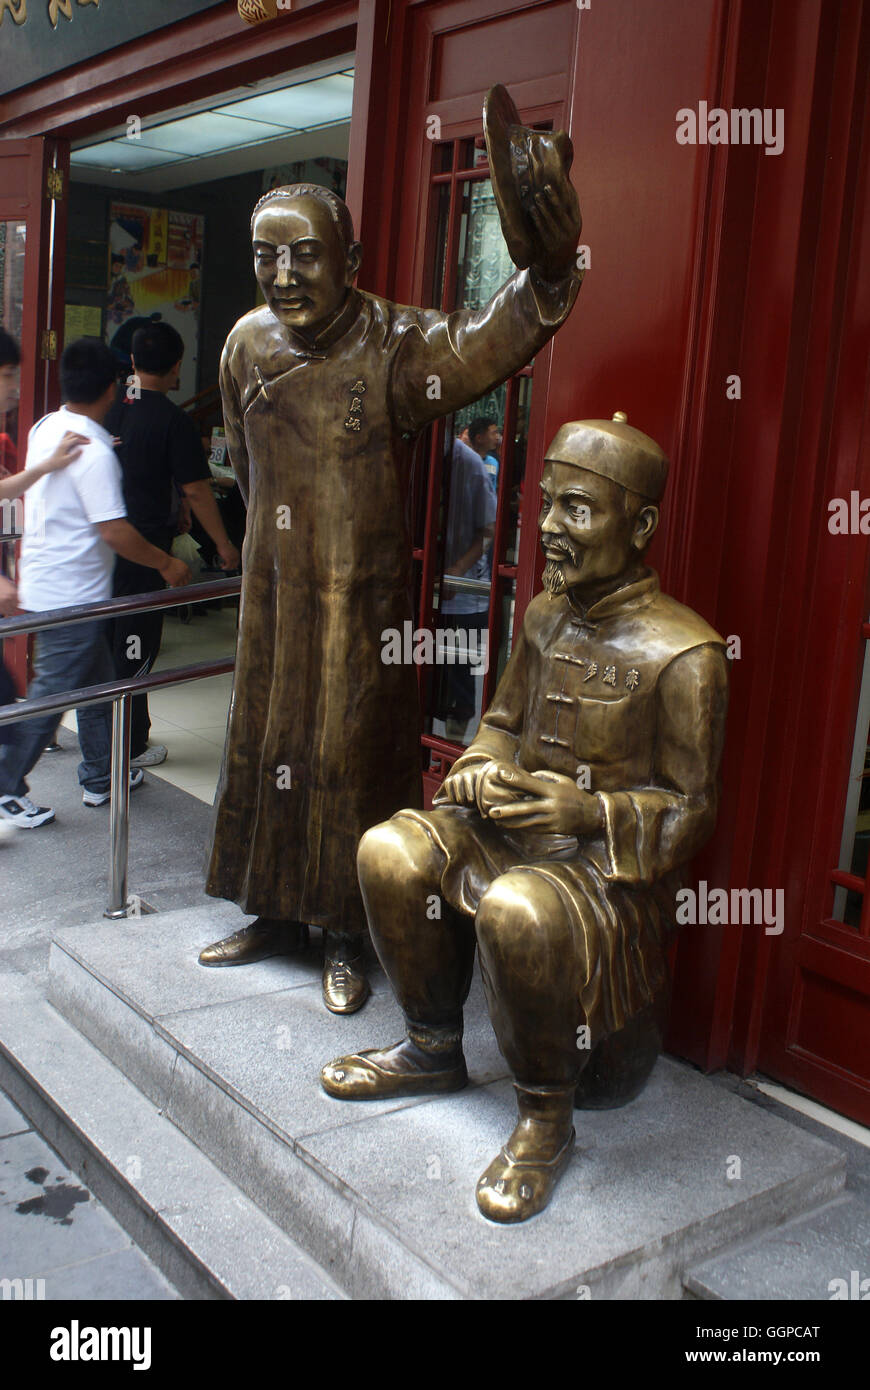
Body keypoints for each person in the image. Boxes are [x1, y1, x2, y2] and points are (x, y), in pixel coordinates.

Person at [200, 93, 583, 1015]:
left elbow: (489, 341)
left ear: (351, 261)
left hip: (358, 597)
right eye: (266, 256)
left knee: (345, 747)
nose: (284, 275)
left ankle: (344, 927)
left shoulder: (395, 342)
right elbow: (245, 464)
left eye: (305, 255)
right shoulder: (246, 344)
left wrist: (548, 266)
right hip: (274, 588)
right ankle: (271, 910)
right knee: (263, 736)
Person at [321, 415, 729, 1225]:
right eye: (545, 505)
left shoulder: (688, 654)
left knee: (518, 907)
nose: (548, 528)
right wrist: (481, 767)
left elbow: (692, 811)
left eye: (577, 509)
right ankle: (433, 1047)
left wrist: (590, 809)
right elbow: (504, 721)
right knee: (391, 849)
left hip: (598, 870)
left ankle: (546, 1119)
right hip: (510, 833)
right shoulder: (543, 614)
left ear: (640, 525)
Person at [0, 337, 190, 830]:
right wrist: (166, 565)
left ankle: (102, 775)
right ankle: (4, 784)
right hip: (74, 597)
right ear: (113, 387)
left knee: (100, 687)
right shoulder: (95, 451)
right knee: (51, 700)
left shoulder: (48, 427)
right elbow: (115, 531)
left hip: (55, 587)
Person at [106, 322, 240, 768]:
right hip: (146, 551)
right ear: (177, 365)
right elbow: (199, 489)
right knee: (137, 644)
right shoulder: (172, 419)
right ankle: (131, 745)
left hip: (104, 543)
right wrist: (224, 544)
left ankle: (100, 739)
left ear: (131, 361)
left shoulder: (109, 406)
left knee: (106, 641)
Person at [439, 430, 496, 741]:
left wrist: (458, 569)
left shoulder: (471, 465)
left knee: (458, 683)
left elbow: (488, 530)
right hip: (427, 594)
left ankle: (451, 752)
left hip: (465, 596)